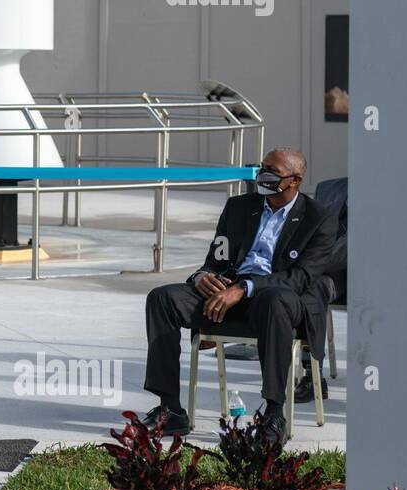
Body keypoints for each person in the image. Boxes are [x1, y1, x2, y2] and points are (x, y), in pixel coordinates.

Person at [141, 147, 337, 442]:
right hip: (228, 290)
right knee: (162, 298)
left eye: (272, 171)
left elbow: (302, 278)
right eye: (261, 168)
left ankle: (273, 415)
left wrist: (245, 289)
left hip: (278, 298)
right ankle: (170, 409)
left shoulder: (318, 219)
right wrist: (203, 276)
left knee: (274, 301)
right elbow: (215, 258)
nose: (263, 176)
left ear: (294, 181)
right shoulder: (239, 207)